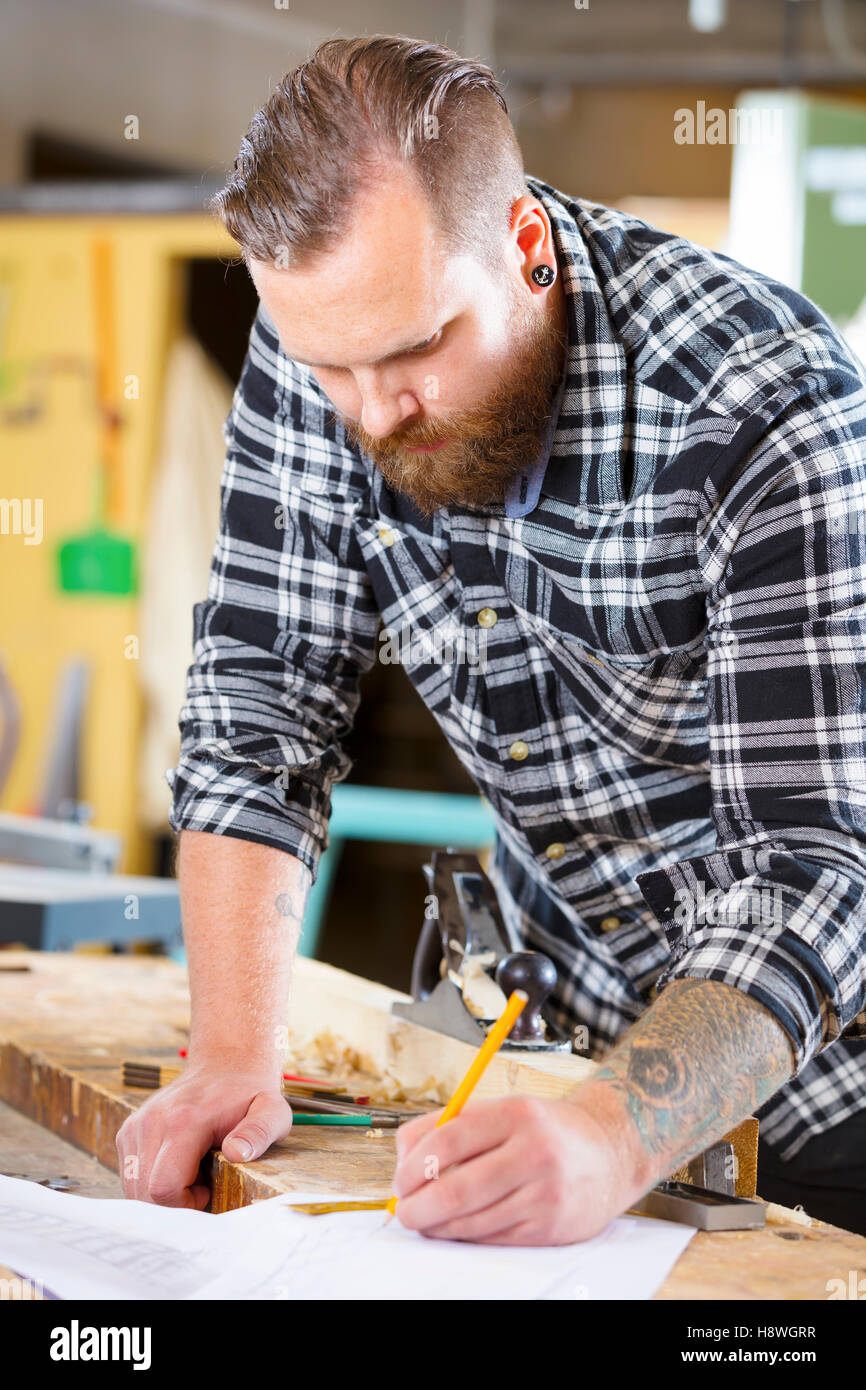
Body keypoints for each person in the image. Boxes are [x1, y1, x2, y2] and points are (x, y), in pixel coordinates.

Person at [117, 35, 866, 1241]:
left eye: (416, 350)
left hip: (816, 1091)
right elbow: (259, 711)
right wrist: (228, 1053)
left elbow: (814, 865)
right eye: (331, 369)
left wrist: (615, 1135)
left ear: (525, 249)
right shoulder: (327, 349)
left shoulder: (758, 402)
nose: (372, 413)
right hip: (539, 1041)